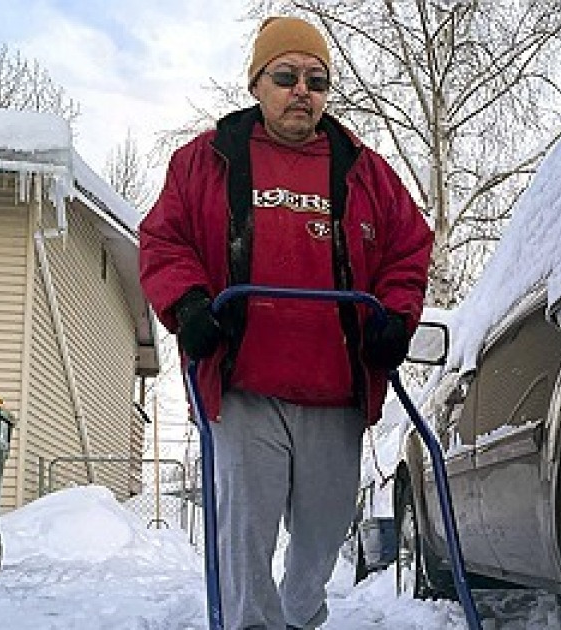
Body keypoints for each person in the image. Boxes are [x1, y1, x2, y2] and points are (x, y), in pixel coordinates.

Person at [138, 15, 433, 630]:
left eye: (317, 79)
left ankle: (299, 618)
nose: (303, 89)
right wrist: (190, 303)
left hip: (334, 389)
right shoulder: (205, 161)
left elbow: (409, 247)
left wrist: (395, 318)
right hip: (245, 384)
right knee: (246, 529)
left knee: (322, 531)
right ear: (257, 84)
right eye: (287, 75)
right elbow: (165, 240)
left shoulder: (363, 168)